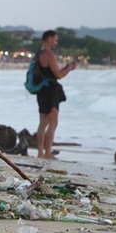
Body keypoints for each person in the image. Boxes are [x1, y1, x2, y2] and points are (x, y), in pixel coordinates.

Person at [35, 30, 78, 159]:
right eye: (55, 39)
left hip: (41, 91)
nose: (56, 42)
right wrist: (69, 67)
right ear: (49, 39)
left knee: (43, 123)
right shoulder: (49, 54)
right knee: (53, 122)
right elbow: (58, 74)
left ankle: (40, 153)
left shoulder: (38, 54)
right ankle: (47, 153)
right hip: (50, 91)